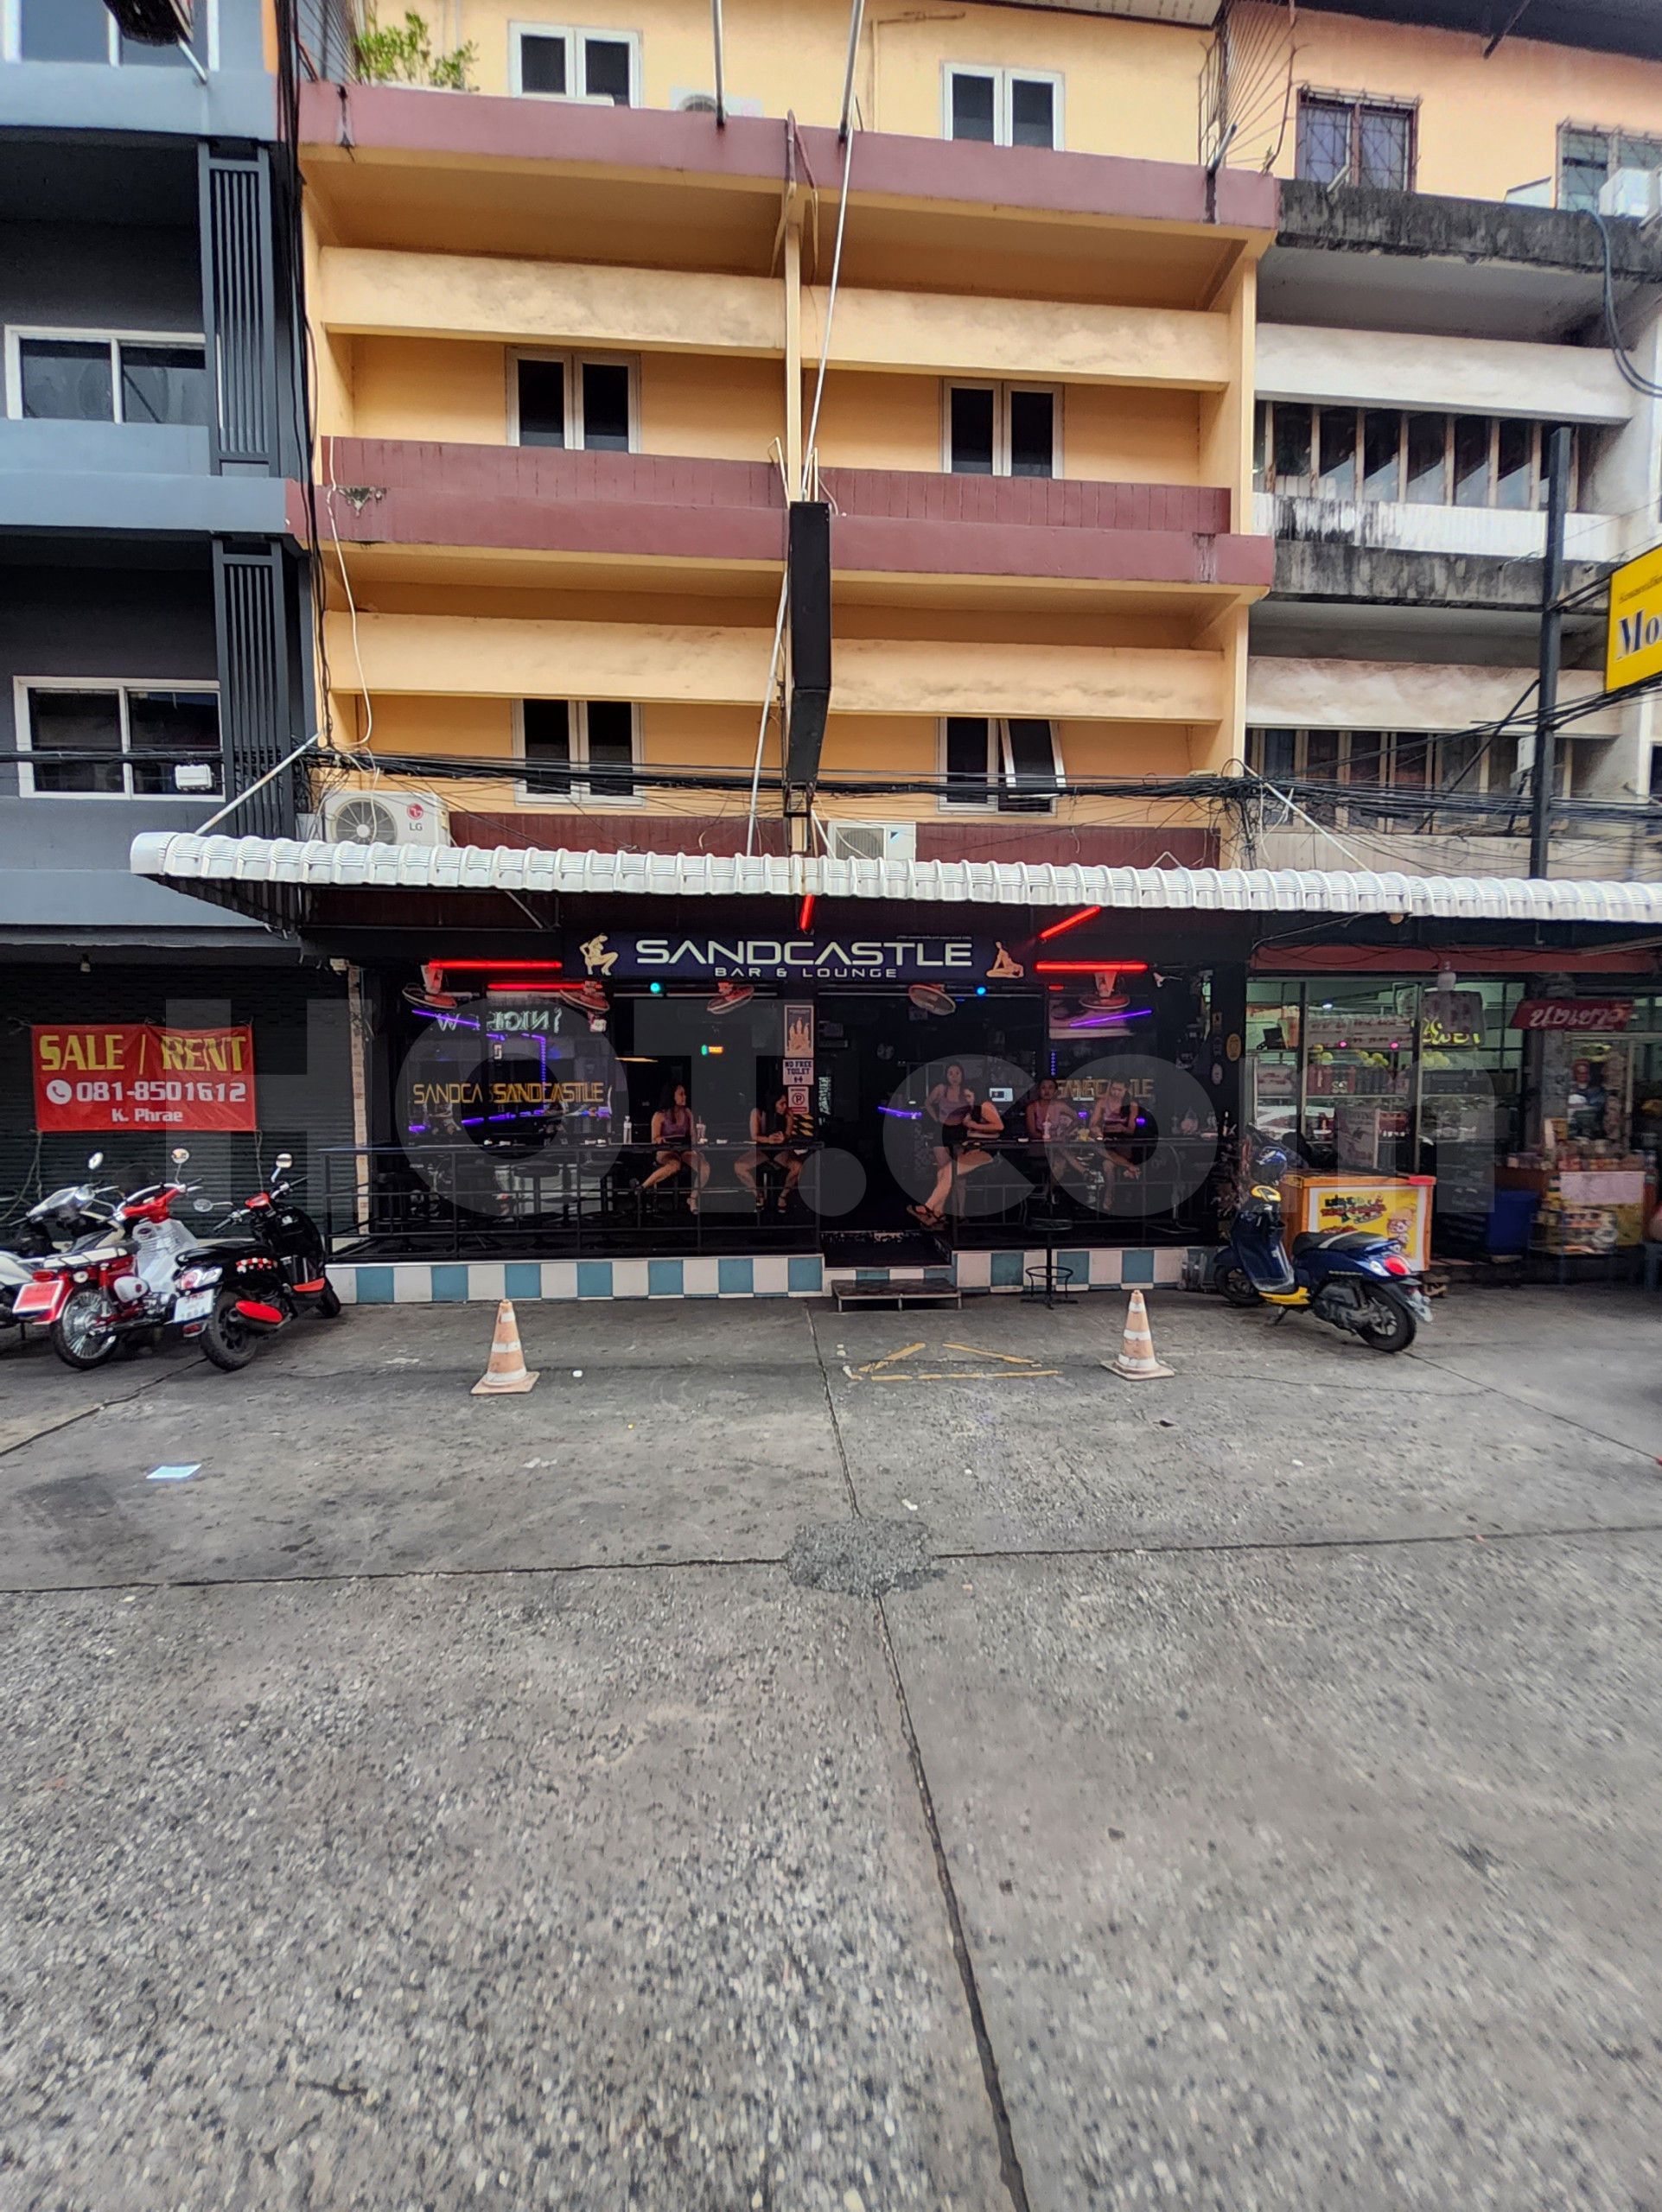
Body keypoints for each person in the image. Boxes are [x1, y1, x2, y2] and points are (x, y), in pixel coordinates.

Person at [909, 1092, 1003, 1228]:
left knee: (948, 1172)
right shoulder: (967, 1111)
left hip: (987, 1152)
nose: (966, 1099)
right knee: (942, 1173)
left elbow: (999, 1127)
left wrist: (972, 1125)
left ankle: (928, 1208)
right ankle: (938, 1213)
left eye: (970, 1096)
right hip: (973, 1150)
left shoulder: (985, 1105)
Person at [640, 1081, 709, 1211]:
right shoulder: (659, 1115)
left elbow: (693, 1136)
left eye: (685, 1094)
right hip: (666, 1151)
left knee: (704, 1167)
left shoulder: (688, 1113)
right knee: (674, 1165)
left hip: (684, 1150)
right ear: (672, 1096)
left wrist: (697, 1147)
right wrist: (660, 1139)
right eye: (681, 1094)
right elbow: (654, 1139)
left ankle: (693, 1198)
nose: (685, 1097)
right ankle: (642, 1188)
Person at [735, 1089, 806, 1212]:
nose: (784, 1106)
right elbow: (754, 1136)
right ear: (773, 1104)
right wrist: (769, 1140)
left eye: (785, 1103)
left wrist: (785, 1137)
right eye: (781, 1103)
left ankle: (783, 1195)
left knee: (797, 1167)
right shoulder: (757, 1112)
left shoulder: (788, 1114)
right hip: (762, 1149)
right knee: (739, 1167)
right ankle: (757, 1194)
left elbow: (788, 1134)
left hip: (780, 1150)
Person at [925, 1062, 976, 1172]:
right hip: (942, 1131)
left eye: (957, 1073)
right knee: (944, 1172)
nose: (954, 1077)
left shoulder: (967, 1092)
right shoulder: (941, 1089)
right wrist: (936, 1119)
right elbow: (927, 1103)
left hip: (959, 1132)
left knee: (960, 1173)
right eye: (951, 1073)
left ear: (962, 1075)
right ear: (946, 1076)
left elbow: (971, 1112)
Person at [1089, 1076, 1142, 1180]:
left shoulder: (1132, 1105)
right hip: (1106, 1142)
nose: (1115, 1093)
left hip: (1123, 1144)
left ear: (1126, 1089)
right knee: (1097, 1147)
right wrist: (1097, 1131)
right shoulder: (1102, 1103)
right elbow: (1092, 1125)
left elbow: (1132, 1129)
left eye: (1119, 1090)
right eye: (1113, 1089)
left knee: (1108, 1164)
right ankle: (1128, 1166)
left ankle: (1110, 1195)